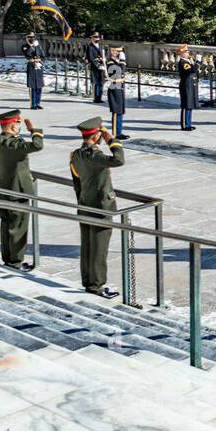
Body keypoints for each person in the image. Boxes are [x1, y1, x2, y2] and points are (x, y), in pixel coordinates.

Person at [70, 117, 123, 298]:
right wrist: (112, 141)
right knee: (99, 247)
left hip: (85, 203)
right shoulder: (96, 155)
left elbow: (77, 182)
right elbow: (118, 160)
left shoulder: (76, 154)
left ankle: (88, 281)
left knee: (87, 245)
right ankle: (97, 285)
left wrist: (82, 200)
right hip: (101, 206)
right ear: (96, 135)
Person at [0, 109, 43, 271]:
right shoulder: (15, 144)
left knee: (6, 225)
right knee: (18, 228)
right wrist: (34, 131)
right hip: (18, 191)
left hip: (1, 190)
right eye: (18, 125)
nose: (19, 128)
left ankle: (8, 258)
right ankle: (15, 262)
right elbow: (37, 145)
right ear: (12, 126)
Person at [106, 46, 128, 139]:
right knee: (116, 112)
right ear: (113, 52)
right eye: (117, 51)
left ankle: (119, 132)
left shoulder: (116, 62)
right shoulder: (110, 62)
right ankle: (115, 133)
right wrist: (123, 61)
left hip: (119, 88)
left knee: (120, 111)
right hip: (114, 88)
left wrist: (121, 61)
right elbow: (119, 72)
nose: (119, 53)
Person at [177, 44, 199, 130]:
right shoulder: (183, 62)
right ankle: (184, 124)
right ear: (181, 53)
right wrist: (197, 62)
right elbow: (191, 70)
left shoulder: (188, 61)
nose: (188, 53)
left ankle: (188, 123)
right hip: (186, 86)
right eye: (186, 51)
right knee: (186, 105)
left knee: (189, 105)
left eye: (187, 51)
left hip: (190, 85)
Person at [22, 32, 45, 110]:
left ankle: (38, 103)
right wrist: (30, 45)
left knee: (39, 86)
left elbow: (43, 55)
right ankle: (33, 104)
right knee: (33, 86)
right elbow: (27, 54)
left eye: (33, 37)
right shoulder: (25, 46)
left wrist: (40, 60)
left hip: (38, 66)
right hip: (31, 67)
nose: (32, 38)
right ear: (27, 38)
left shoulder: (38, 45)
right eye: (30, 37)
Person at [84, 31, 106, 103]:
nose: (97, 38)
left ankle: (99, 97)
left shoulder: (101, 46)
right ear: (92, 38)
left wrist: (103, 60)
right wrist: (97, 65)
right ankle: (96, 98)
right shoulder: (90, 47)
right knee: (96, 83)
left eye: (98, 37)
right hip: (95, 67)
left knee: (101, 82)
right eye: (95, 37)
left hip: (102, 67)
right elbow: (90, 58)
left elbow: (104, 55)